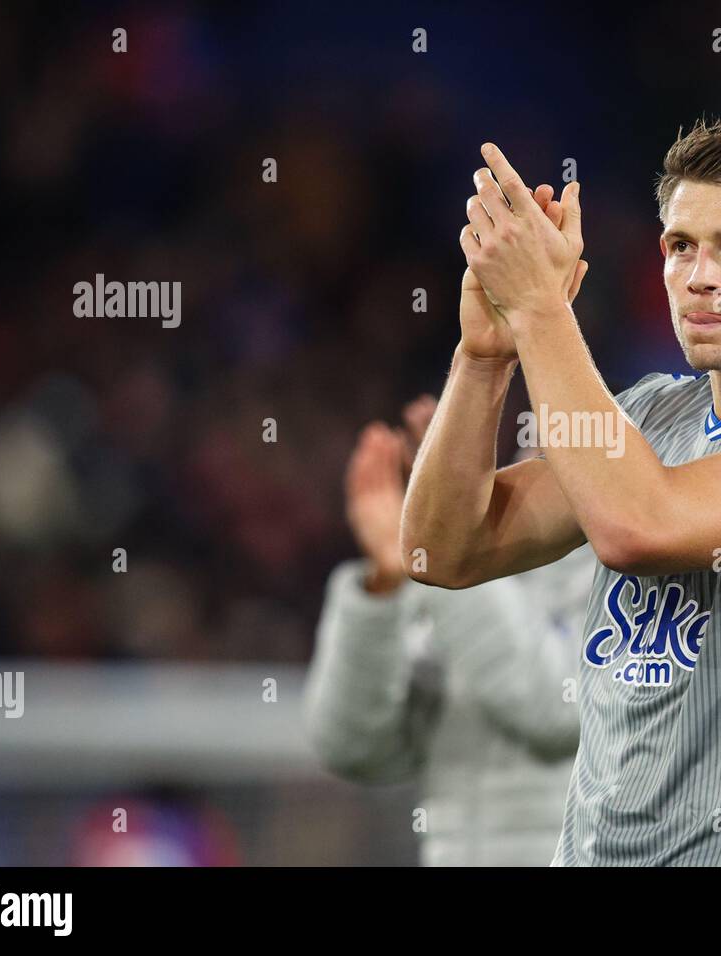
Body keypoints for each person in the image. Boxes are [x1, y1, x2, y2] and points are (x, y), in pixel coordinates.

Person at [402, 116, 721, 865]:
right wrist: (486, 356)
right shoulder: (647, 414)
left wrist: (543, 311)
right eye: (681, 247)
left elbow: (637, 527)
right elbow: (441, 550)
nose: (699, 276)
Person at [303, 188, 600, 866]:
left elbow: (554, 708)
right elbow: (355, 748)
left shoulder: (616, 533)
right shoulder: (432, 574)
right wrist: (388, 582)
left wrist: (437, 563)